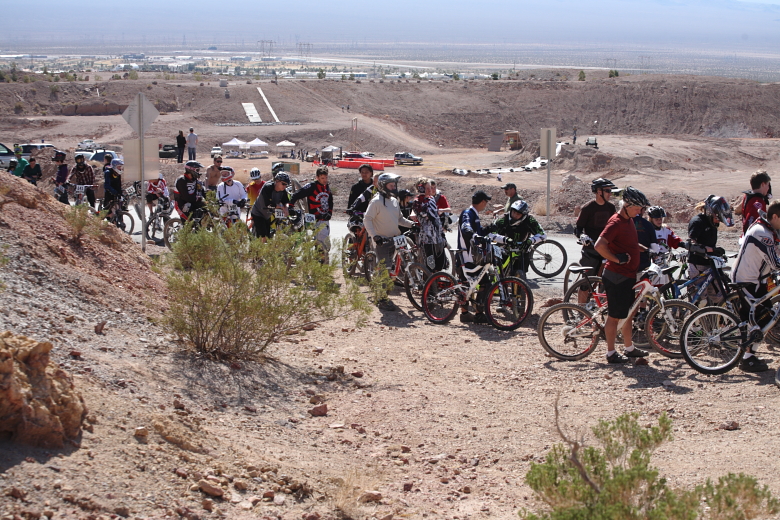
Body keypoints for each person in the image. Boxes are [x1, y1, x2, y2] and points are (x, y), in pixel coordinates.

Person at [594, 186, 651, 363]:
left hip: (627, 275)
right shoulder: (616, 222)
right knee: (614, 316)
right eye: (637, 208)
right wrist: (616, 259)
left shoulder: (629, 220)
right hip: (617, 276)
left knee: (628, 314)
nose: (640, 211)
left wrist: (637, 247)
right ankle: (611, 353)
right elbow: (599, 245)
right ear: (626, 205)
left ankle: (629, 348)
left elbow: (624, 241)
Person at [730, 199, 780, 373]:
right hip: (747, 280)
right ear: (775, 217)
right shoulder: (762, 233)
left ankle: (750, 354)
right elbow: (775, 262)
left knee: (766, 317)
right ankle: (747, 358)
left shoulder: (766, 228)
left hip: (755, 279)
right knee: (760, 319)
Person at [364, 173, 414, 310]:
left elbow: (400, 219)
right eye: (391, 185)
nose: (394, 188)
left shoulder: (394, 201)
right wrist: (375, 236)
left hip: (395, 238)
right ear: (383, 186)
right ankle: (382, 298)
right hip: (382, 240)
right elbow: (367, 219)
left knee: (401, 262)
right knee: (385, 269)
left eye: (394, 185)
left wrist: (413, 224)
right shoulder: (376, 202)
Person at [457, 190, 509, 323]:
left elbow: (480, 233)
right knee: (479, 283)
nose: (486, 204)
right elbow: (466, 227)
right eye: (486, 201)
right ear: (482, 202)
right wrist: (474, 234)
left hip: (471, 255)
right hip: (467, 255)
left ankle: (471, 313)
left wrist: (491, 228)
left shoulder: (474, 214)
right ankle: (474, 313)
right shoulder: (468, 213)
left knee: (474, 283)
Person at [575, 178, 617, 303]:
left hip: (606, 250)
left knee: (607, 282)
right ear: (599, 192)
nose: (610, 193)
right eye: (607, 190)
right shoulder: (588, 208)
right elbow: (578, 229)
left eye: (610, 191)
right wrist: (582, 236)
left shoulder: (611, 208)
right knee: (586, 283)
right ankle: (580, 312)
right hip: (591, 250)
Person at [688, 195, 734, 305]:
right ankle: (693, 321)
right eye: (717, 218)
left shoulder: (713, 223)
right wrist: (707, 249)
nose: (718, 221)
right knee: (700, 302)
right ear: (710, 212)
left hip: (711, 264)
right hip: (697, 264)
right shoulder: (697, 222)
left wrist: (715, 251)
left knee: (720, 297)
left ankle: (720, 321)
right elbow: (691, 243)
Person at [492, 199, 545, 279]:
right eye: (513, 212)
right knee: (500, 276)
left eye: (518, 214)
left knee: (521, 275)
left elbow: (543, 234)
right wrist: (506, 240)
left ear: (524, 215)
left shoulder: (530, 220)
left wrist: (530, 241)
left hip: (522, 252)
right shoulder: (503, 219)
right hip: (504, 251)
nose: (515, 215)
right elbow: (490, 233)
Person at [290, 166, 334, 262]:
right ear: (317, 177)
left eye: (326, 178)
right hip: (314, 217)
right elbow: (297, 194)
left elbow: (330, 201)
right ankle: (320, 262)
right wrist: (290, 206)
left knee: (325, 244)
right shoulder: (311, 186)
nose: (325, 180)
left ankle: (319, 260)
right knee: (321, 242)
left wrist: (330, 212)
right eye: (322, 178)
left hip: (325, 218)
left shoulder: (326, 187)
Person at [412, 178, 447, 272]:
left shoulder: (431, 199)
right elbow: (425, 214)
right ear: (421, 189)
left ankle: (438, 281)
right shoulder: (417, 201)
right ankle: (429, 284)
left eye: (430, 187)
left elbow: (436, 217)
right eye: (427, 188)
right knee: (430, 264)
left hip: (437, 236)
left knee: (440, 263)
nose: (430, 190)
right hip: (427, 238)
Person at [250, 172, 291, 241]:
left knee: (267, 235)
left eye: (286, 184)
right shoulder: (268, 187)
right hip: (258, 212)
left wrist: (286, 208)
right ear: (277, 181)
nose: (285, 186)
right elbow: (268, 204)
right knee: (263, 236)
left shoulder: (283, 191)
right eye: (283, 184)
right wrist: (281, 207)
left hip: (267, 214)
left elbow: (286, 201)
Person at [739, 170, 771, 235]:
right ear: (763, 184)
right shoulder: (758, 203)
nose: (768, 188)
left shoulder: (747, 196)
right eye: (768, 185)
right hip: (754, 237)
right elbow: (750, 222)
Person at [633, 208, 658, 273]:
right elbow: (655, 248)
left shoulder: (623, 222)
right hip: (643, 264)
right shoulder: (648, 224)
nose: (644, 212)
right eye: (644, 209)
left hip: (625, 264)